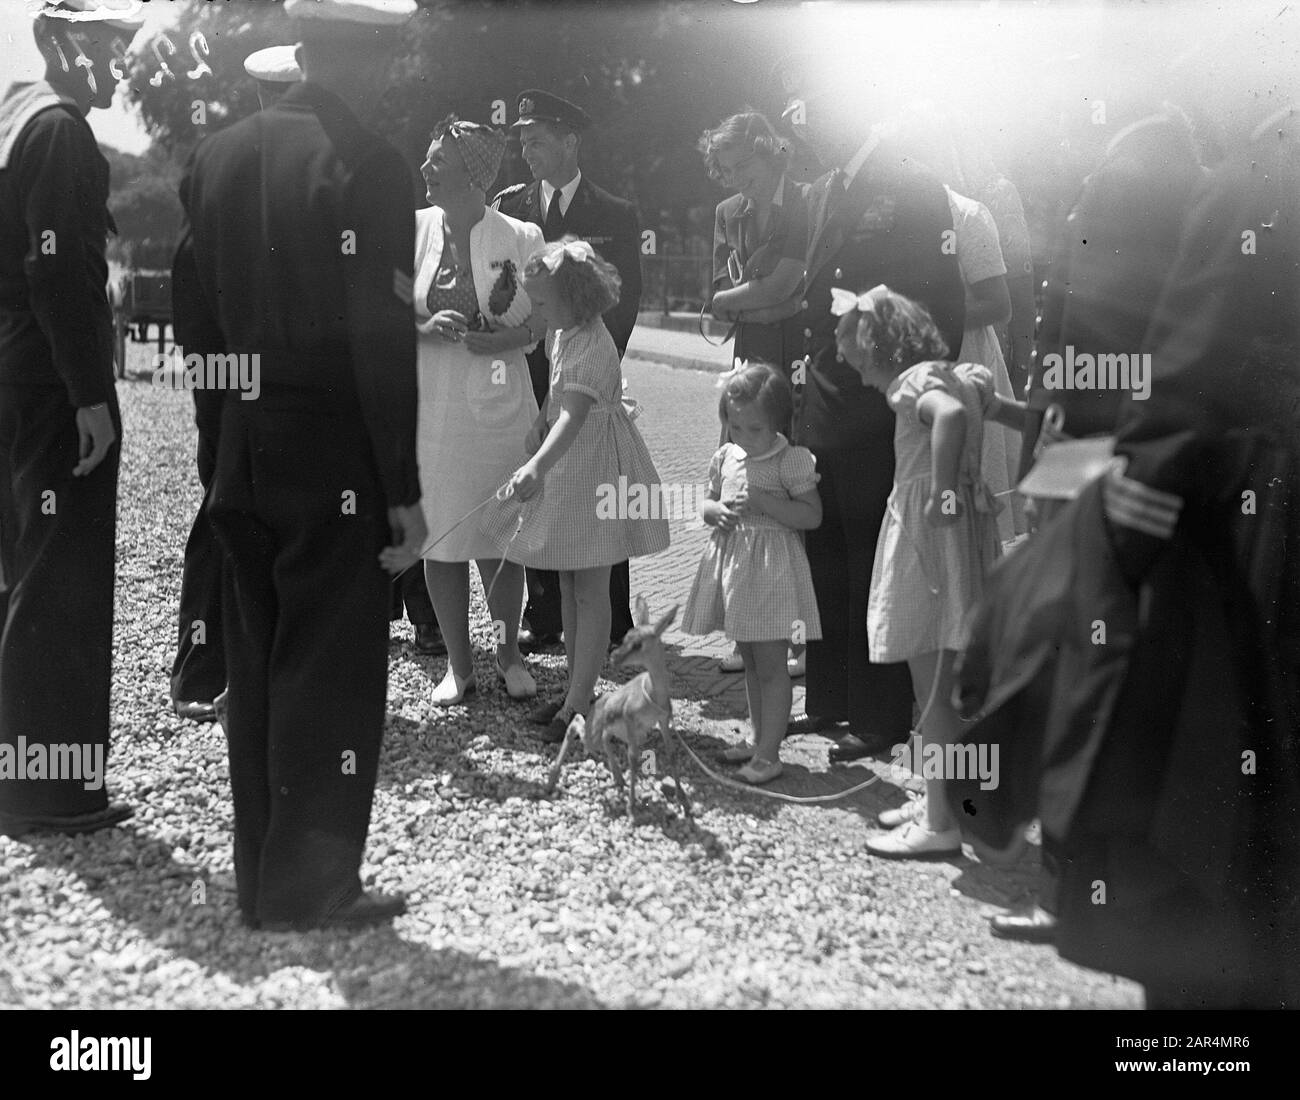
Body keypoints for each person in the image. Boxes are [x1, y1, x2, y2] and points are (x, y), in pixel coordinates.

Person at [179, 0, 426, 931]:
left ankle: (259, 877)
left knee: (259, 654)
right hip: (332, 449)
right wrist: (399, 483)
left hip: (243, 438)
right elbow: (378, 337)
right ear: (367, 58)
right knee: (329, 664)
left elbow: (196, 316)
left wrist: (218, 440)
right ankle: (312, 883)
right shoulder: (370, 162)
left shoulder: (218, 156)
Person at [777, 63, 966, 763]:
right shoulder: (831, 188)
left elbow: (943, 306)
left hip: (877, 404)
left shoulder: (909, 182)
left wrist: (899, 385)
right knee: (825, 554)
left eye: (811, 111)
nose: (802, 125)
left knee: (871, 558)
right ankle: (827, 701)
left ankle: (879, 715)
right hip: (824, 402)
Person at [0, 0, 144, 837]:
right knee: (63, 574)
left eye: (121, 48)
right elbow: (59, 274)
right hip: (54, 376)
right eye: (102, 44)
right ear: (57, 40)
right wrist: (91, 394)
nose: (116, 63)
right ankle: (51, 790)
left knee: (26, 559)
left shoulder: (19, 119)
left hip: (18, 361)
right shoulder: (58, 132)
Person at [834, 287, 1026, 858]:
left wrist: (942, 490)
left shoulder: (911, 384)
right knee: (943, 685)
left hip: (928, 539)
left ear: (875, 348)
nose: (858, 374)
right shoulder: (957, 372)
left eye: (856, 360)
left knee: (932, 690)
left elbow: (944, 420)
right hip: (963, 538)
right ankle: (938, 800)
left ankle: (940, 824)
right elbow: (986, 413)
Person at [170, 44, 305, 725]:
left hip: (251, 392)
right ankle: (203, 670)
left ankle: (241, 670)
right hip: (242, 395)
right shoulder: (239, 196)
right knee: (224, 521)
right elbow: (203, 320)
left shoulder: (244, 176)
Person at [497, 239, 669, 743]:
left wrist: (535, 464)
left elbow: (573, 417)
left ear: (576, 298)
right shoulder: (567, 334)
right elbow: (558, 394)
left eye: (545, 302)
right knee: (572, 584)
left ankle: (578, 700)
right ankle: (579, 689)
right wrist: (539, 421)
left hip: (593, 470)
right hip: (576, 469)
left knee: (591, 589)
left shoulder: (594, 345)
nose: (539, 311)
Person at [493, 90, 642, 652]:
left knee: (596, 487)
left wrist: (598, 365)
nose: (527, 151)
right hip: (528, 365)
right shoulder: (512, 205)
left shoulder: (615, 212)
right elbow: (504, 287)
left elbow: (623, 299)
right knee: (542, 486)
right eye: (523, 141)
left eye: (538, 141)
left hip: (585, 369)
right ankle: (546, 612)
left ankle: (614, 617)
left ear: (571, 140)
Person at [413, 114, 542, 705]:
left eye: (437, 162)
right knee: (441, 538)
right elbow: (374, 306)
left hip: (501, 409)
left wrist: (508, 338)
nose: (425, 170)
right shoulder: (409, 231)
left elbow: (545, 319)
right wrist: (420, 324)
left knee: (500, 537)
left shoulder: (522, 237)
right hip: (434, 413)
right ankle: (458, 667)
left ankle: (508, 651)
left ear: (473, 177)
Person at [698, 110, 811, 678]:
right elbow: (720, 296)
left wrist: (759, 298)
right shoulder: (727, 214)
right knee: (740, 483)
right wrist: (763, 298)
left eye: (743, 165)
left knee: (789, 480)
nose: (736, 178)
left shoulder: (807, 201)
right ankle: (744, 630)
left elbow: (795, 285)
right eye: (726, 168)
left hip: (798, 363)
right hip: (749, 361)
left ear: (769, 151)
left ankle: (795, 638)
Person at [680, 362, 822, 785]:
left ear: (778, 421)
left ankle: (770, 753)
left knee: (773, 666)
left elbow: (811, 515)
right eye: (735, 427)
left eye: (755, 429)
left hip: (772, 574)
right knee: (752, 664)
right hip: (736, 571)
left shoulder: (789, 460)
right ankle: (760, 739)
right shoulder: (726, 455)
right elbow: (705, 502)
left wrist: (765, 503)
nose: (743, 438)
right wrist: (716, 512)